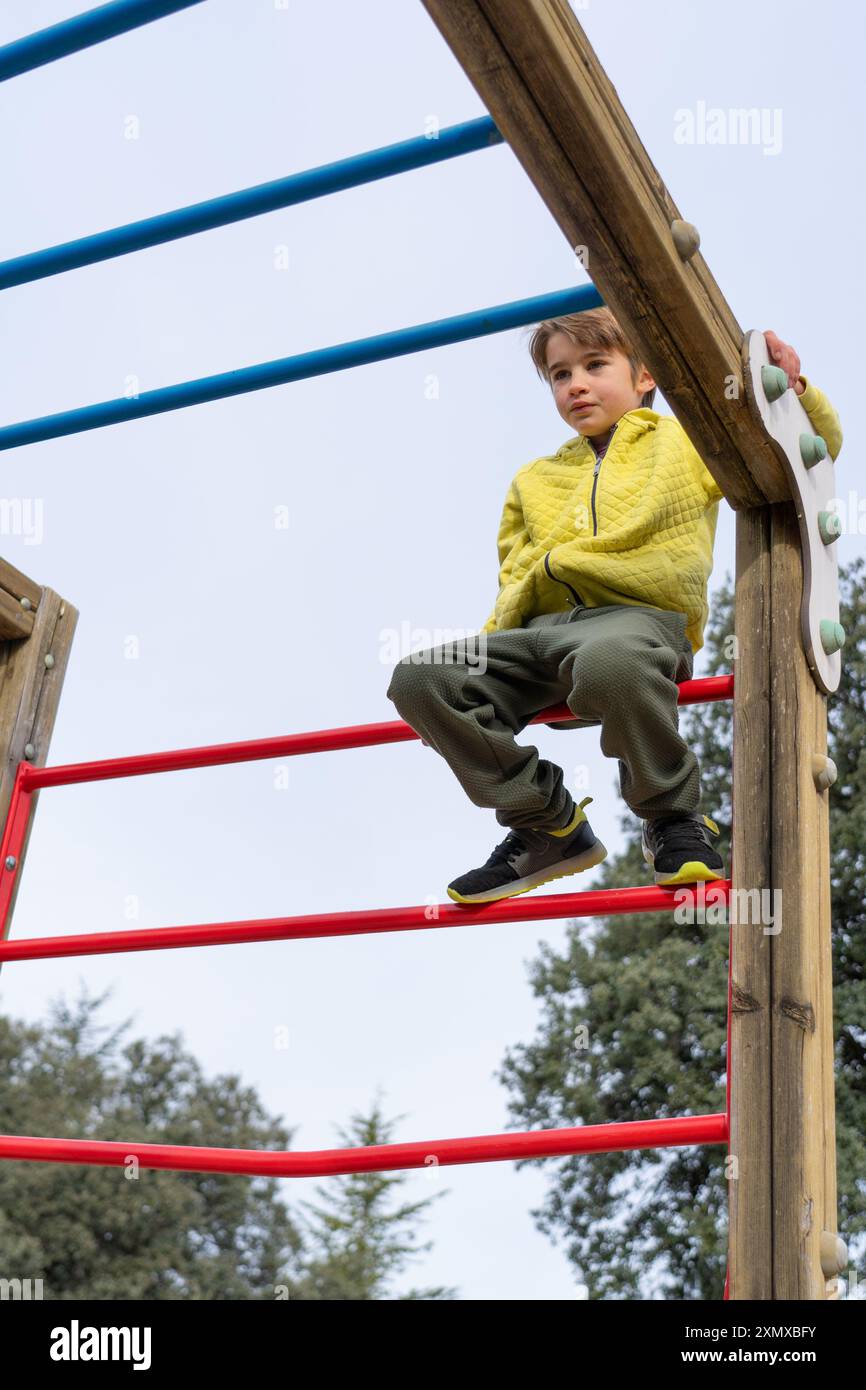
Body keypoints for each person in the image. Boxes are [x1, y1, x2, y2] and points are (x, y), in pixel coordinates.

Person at [386, 308, 843, 904]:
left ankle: (673, 818)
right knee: (422, 677)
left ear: (644, 374)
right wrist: (491, 668)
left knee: (610, 661)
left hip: (638, 623)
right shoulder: (537, 478)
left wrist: (789, 389)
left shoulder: (686, 441)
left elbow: (808, 449)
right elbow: (515, 573)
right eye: (559, 374)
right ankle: (547, 824)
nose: (575, 384)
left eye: (595, 365)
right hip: (542, 633)